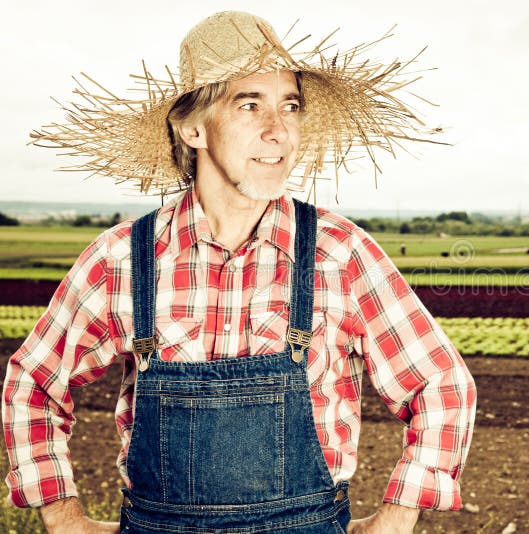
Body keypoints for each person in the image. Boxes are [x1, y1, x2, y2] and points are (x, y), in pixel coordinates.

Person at [3, 11, 476, 534]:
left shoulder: (339, 254)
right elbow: (33, 384)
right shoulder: (121, 259)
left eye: (290, 106)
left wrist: (397, 517)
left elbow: (442, 382)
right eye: (249, 105)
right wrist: (63, 517)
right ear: (193, 127)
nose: (278, 131)